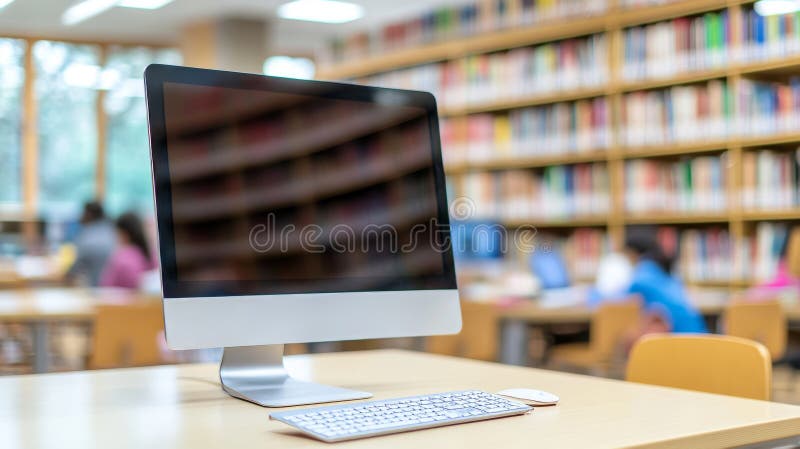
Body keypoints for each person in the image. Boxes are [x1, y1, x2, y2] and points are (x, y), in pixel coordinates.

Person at [622, 233, 708, 344]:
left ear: (632, 254)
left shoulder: (643, 273)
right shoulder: (664, 271)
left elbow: (620, 298)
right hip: (699, 335)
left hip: (676, 339)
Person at [66, 201, 116, 286]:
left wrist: (66, 275)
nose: (80, 217)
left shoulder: (87, 237)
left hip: (94, 288)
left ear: (88, 214)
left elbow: (75, 268)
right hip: (113, 289)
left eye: (82, 213)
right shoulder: (112, 231)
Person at [100, 212, 155, 289]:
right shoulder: (151, 254)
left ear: (124, 234)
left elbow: (106, 287)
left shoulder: (121, 258)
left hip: (121, 300)